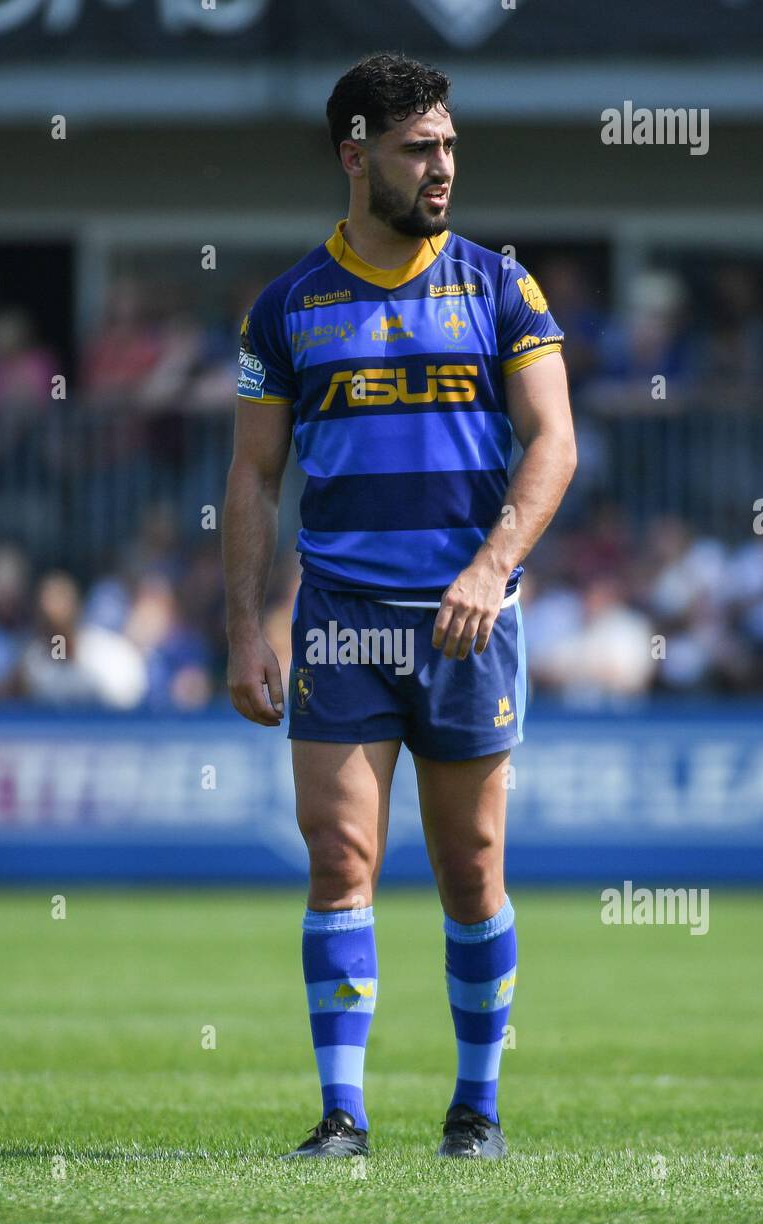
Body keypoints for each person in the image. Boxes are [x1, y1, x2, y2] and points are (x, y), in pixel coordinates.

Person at [221, 53, 577, 1161]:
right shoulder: (286, 308)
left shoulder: (500, 287)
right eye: (418, 147)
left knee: (472, 867)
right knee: (339, 857)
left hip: (468, 618)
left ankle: (476, 1107)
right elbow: (251, 479)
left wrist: (491, 566)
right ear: (355, 152)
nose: (441, 167)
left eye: (449, 146)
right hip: (339, 617)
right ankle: (343, 1115)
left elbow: (554, 442)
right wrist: (243, 625)